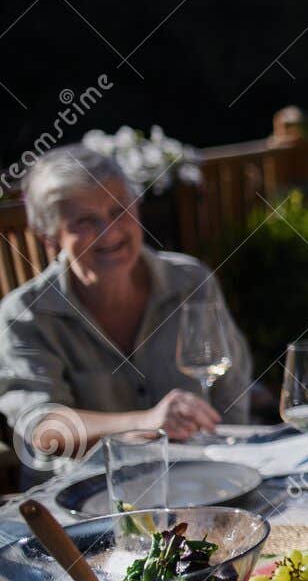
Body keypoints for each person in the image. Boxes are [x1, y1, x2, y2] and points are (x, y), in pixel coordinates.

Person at [0, 146, 252, 465]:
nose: (110, 232)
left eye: (118, 210)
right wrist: (145, 423)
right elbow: (42, 429)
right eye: (85, 221)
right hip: (87, 499)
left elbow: (232, 393)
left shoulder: (191, 282)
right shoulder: (23, 315)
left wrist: (233, 466)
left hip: (199, 479)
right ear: (47, 236)